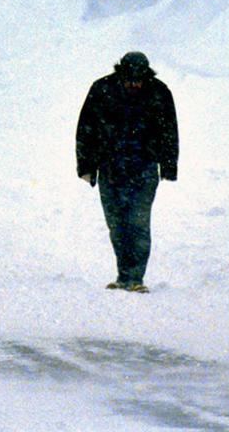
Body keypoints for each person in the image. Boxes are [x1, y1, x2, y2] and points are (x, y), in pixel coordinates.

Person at [76, 51, 178, 293]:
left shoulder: (159, 92)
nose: (134, 84)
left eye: (138, 80)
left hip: (144, 169)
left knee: (138, 222)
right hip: (110, 168)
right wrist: (86, 167)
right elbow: (86, 128)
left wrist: (169, 165)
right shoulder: (101, 90)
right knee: (117, 224)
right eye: (129, 79)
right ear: (120, 73)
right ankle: (123, 275)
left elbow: (169, 130)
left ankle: (135, 277)